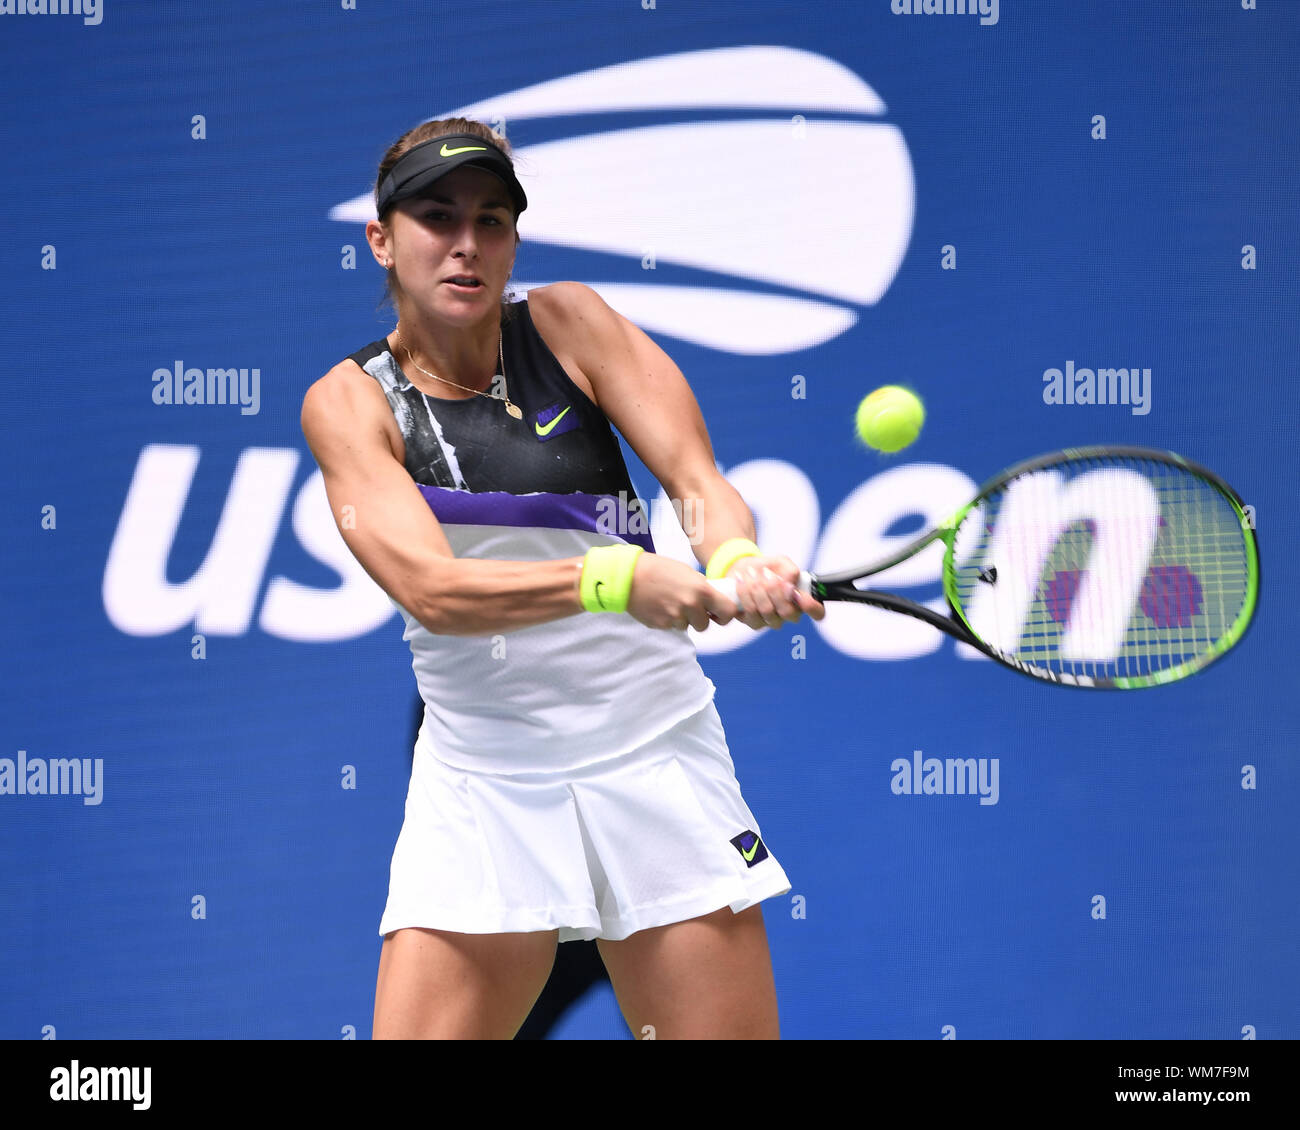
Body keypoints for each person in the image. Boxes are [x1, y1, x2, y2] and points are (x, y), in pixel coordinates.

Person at [300, 117, 824, 1040]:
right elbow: (433, 590)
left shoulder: (569, 323)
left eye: (493, 220)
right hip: (482, 781)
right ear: (380, 238)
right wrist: (614, 578)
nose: (468, 244)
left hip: (653, 751)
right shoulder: (349, 401)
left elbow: (696, 483)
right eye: (437, 217)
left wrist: (735, 558)